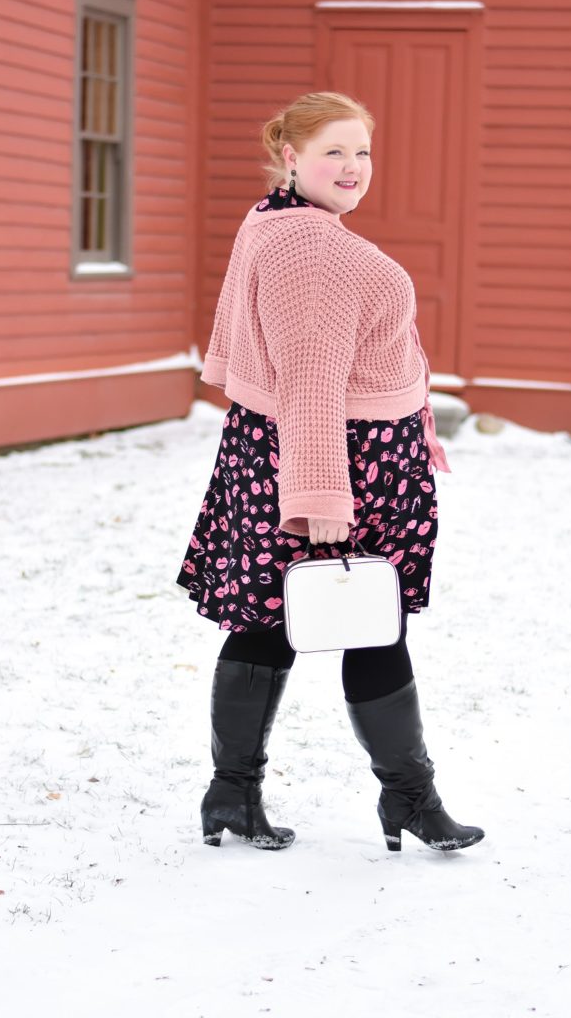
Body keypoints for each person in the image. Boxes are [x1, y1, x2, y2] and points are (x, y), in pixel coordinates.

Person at [176, 91, 484, 854]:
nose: (353, 168)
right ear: (290, 154)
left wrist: (408, 414)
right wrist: (319, 496)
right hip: (337, 461)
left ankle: (231, 796)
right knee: (369, 622)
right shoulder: (314, 247)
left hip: (296, 448)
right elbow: (310, 377)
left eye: (363, 152)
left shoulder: (275, 222)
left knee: (267, 620)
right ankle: (409, 801)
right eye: (333, 152)